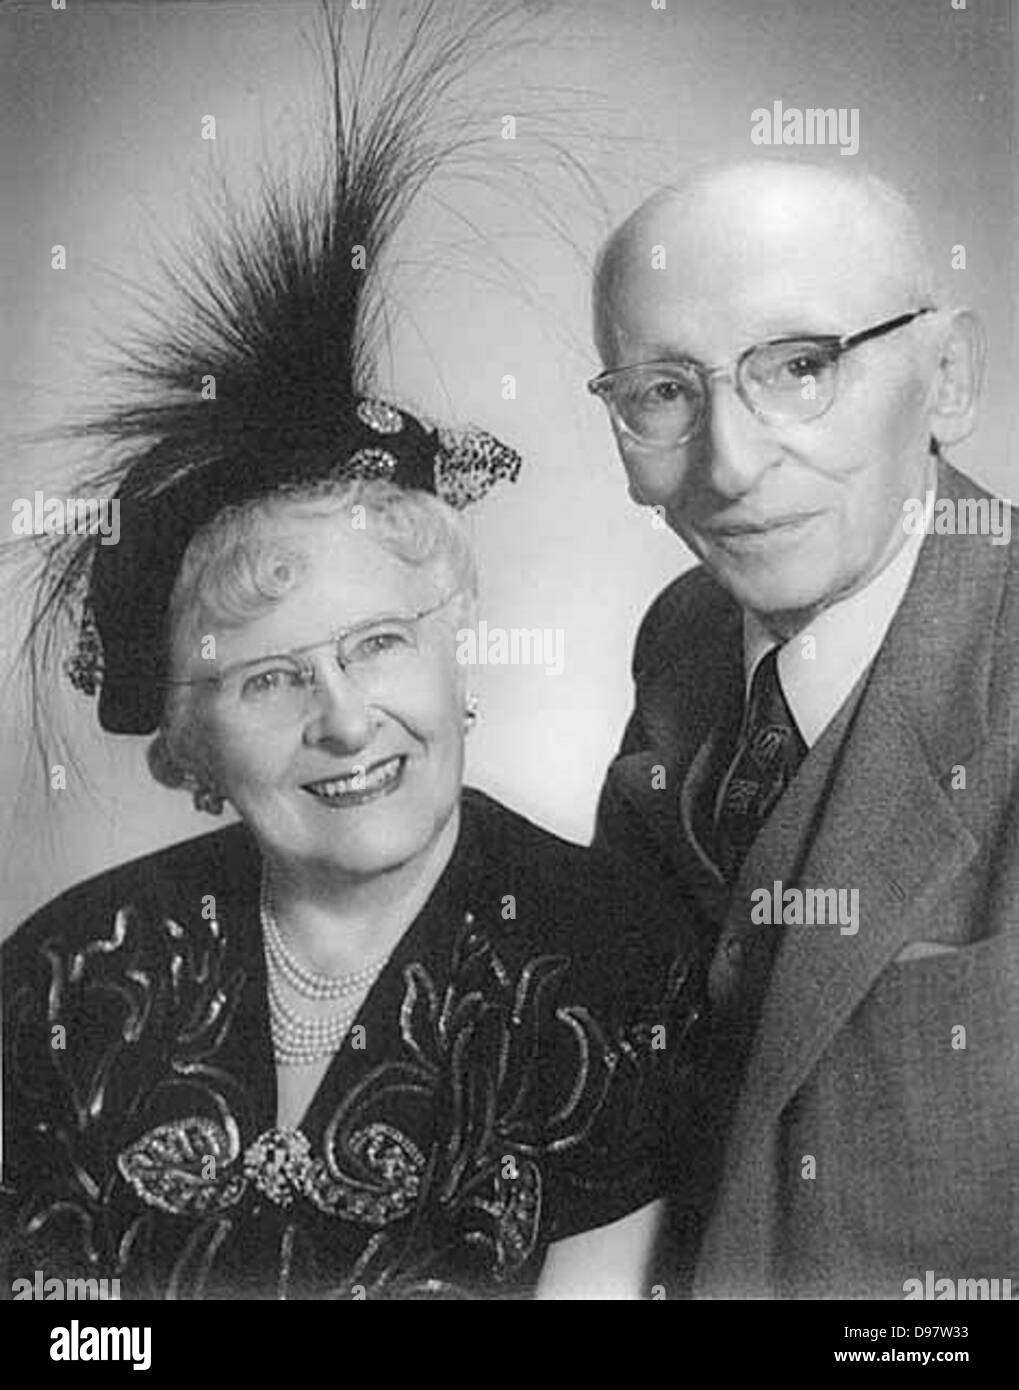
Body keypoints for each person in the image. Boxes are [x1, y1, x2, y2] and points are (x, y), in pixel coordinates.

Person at [0, 4, 697, 1301]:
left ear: (452, 659)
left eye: (378, 642)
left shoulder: (605, 960)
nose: (345, 717)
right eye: (268, 677)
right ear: (193, 743)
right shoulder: (62, 975)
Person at [588, 160, 1018, 1299]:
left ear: (947, 377)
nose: (729, 466)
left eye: (797, 368)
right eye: (662, 392)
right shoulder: (682, 636)